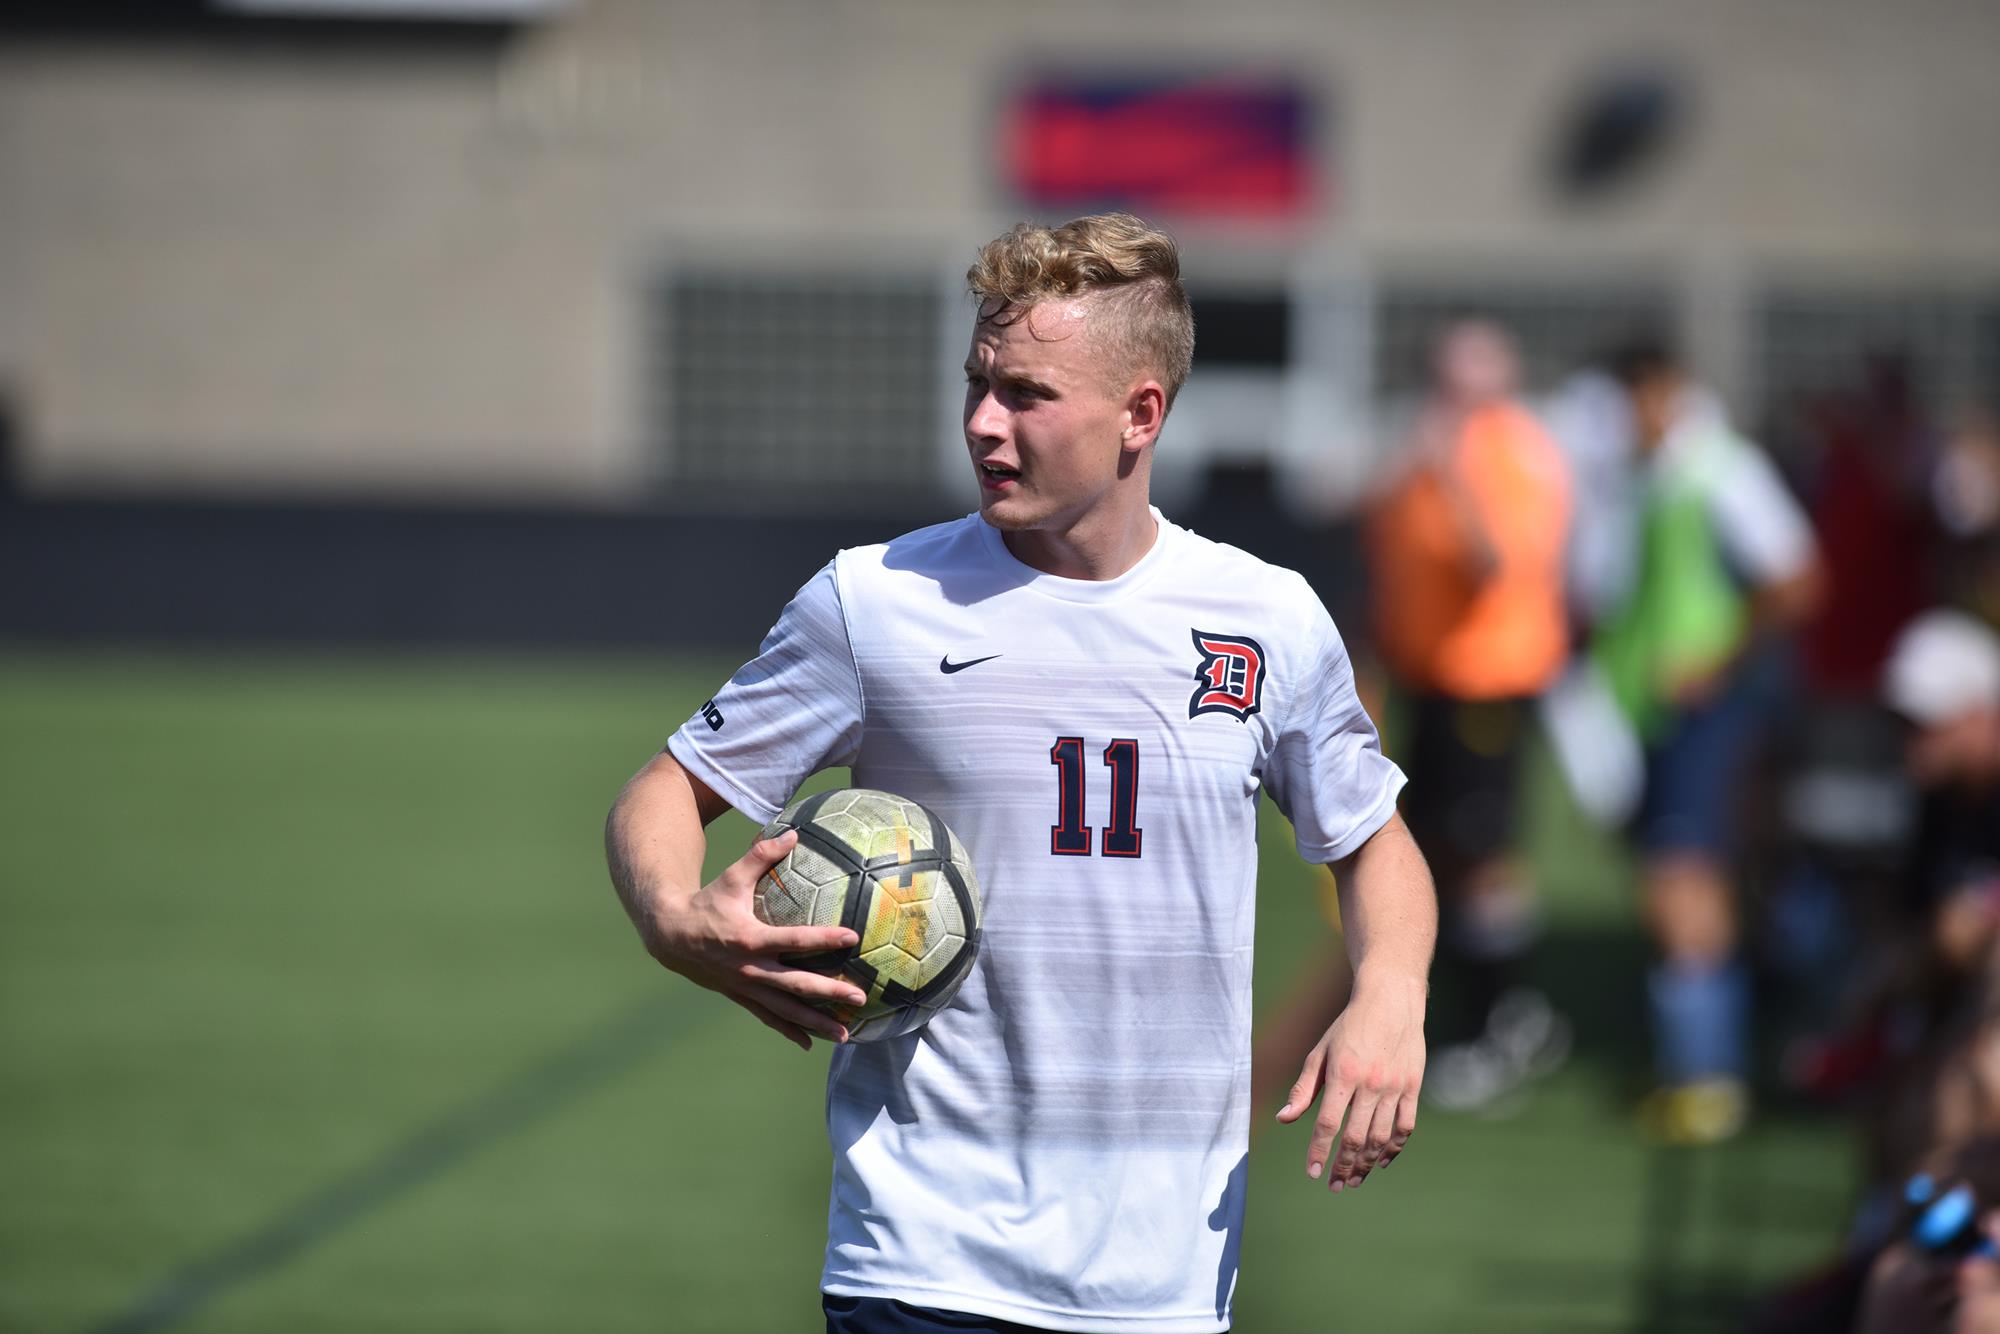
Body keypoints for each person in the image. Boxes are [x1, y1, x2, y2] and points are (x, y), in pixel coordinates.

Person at [605, 213, 1436, 1334]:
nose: (982, 425)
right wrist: (672, 913)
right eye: (976, 384)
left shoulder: (1266, 618)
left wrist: (1390, 994)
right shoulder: (874, 602)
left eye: (1027, 396)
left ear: (1140, 411)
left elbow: (1373, 840)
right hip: (921, 1253)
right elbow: (670, 786)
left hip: (1167, 1274)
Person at [1593, 339, 1824, 1144]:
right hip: (1668, 713)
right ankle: (1701, 1069)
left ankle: (1709, 1077)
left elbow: (1798, 579)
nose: (1622, 420)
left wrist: (1718, 663)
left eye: (1629, 400)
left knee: (1683, 882)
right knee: (1691, 882)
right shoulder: (1666, 472)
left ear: (1661, 391)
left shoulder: (1724, 470)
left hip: (1708, 713)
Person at [1359, 318, 1574, 1109]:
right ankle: (1466, 1013)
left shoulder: (1512, 452)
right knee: (1434, 849)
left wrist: (1450, 473)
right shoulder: (1429, 442)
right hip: (1432, 677)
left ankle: (1503, 1022)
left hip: (1489, 678)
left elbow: (1497, 564)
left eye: (1462, 385)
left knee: (1483, 856)